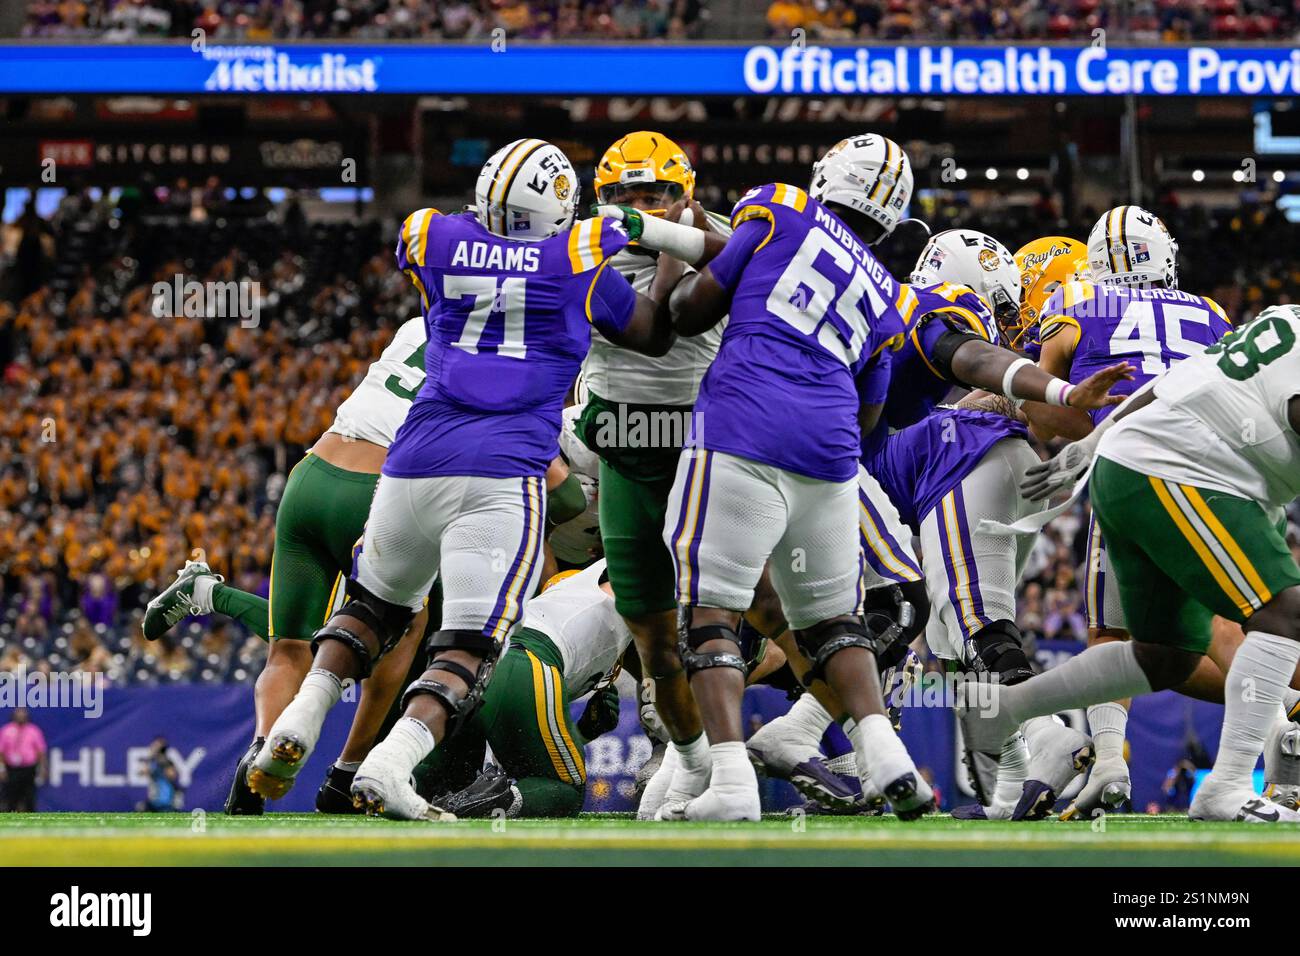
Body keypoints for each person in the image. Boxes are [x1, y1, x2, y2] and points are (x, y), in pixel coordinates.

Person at [251, 138, 680, 820]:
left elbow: (450, 250)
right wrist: (661, 241)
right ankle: (390, 765)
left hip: (414, 459)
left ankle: (300, 718)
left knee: (369, 609)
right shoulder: (579, 259)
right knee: (466, 647)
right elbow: (654, 331)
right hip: (503, 472)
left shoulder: (429, 234)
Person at [970, 303, 1300, 823]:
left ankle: (1010, 709)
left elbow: (1168, 384)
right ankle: (1229, 785)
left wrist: (1094, 442)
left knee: (1165, 657)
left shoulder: (1280, 321)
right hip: (1187, 470)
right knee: (1280, 611)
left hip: (1134, 464)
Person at [1032, 205, 1234, 817]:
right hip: (1220, 476)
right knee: (1227, 633)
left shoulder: (1074, 301)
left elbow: (1046, 409)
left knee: (1113, 633)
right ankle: (1279, 740)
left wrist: (1067, 422)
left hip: (1136, 470)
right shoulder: (1213, 314)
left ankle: (1112, 766)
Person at [575, 132, 729, 816]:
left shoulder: (725, 241)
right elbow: (649, 329)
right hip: (622, 450)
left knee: (752, 613)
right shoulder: (580, 249)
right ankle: (688, 756)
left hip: (708, 449)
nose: (637, 208)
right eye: (624, 196)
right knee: (653, 638)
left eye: (654, 195)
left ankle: (838, 742)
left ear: (683, 195)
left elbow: (759, 265)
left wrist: (683, 239)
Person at [0, 708, 46, 813]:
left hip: (28, 768)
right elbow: (1, 751)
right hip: (11, 768)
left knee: (29, 796)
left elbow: (40, 751)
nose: (21, 716)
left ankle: (31, 820)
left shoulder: (33, 730)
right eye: (19, 713)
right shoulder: (6, 730)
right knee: (9, 797)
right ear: (14, 715)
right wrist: (1, 768)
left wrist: (42, 768)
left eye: (23, 714)